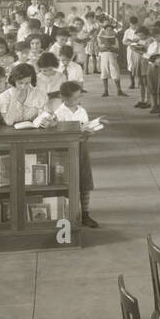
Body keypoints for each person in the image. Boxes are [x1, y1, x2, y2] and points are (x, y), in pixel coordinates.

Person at [53, 81, 101, 228]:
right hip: (65, 153)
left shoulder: (82, 111)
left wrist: (89, 132)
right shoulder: (58, 113)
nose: (77, 101)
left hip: (82, 149)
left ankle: (85, 214)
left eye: (79, 97)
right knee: (67, 182)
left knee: (85, 182)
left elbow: (85, 129)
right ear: (63, 97)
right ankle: (68, 215)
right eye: (74, 98)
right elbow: (56, 135)